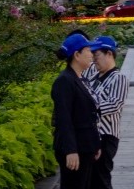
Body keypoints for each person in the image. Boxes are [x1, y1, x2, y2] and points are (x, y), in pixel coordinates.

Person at [51, 33, 102, 189]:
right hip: (75, 149)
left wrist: (95, 144)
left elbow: (89, 114)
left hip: (86, 145)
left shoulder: (81, 78)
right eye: (87, 50)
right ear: (77, 55)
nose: (91, 54)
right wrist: (70, 150)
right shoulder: (64, 81)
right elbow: (64, 119)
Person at [87, 36, 129, 189]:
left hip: (106, 136)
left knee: (101, 177)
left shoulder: (119, 78)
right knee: (91, 179)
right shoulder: (93, 77)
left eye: (96, 55)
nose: (94, 60)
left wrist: (89, 109)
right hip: (92, 135)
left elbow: (114, 104)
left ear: (109, 54)